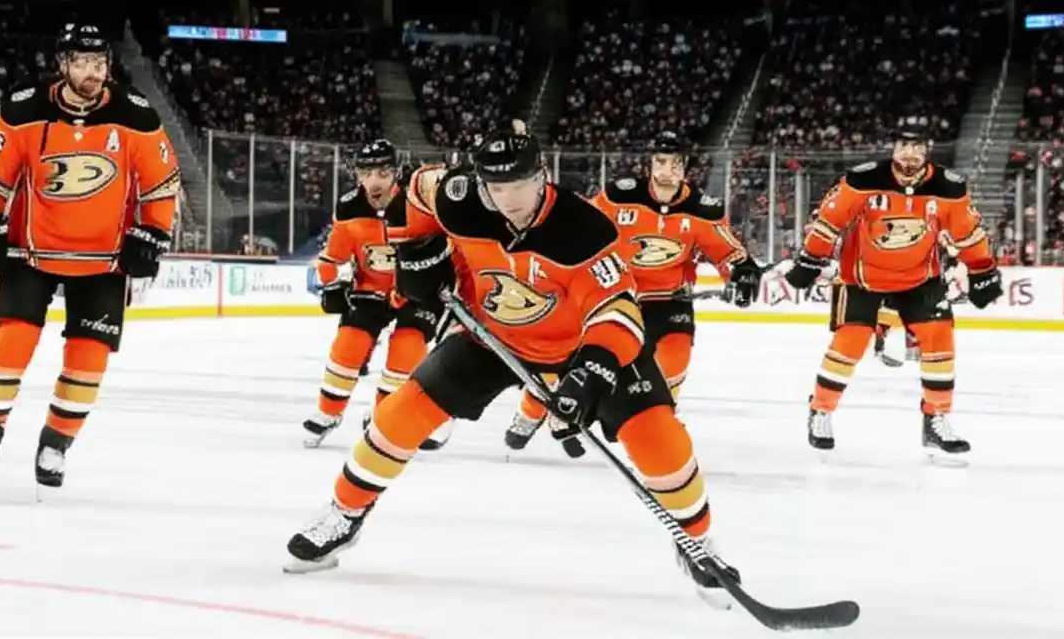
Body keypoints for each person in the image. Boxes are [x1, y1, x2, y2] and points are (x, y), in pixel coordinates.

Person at [284, 130, 740, 606]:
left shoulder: (583, 228)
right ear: (481, 184)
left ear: (543, 175)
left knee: (657, 435)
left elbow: (619, 312)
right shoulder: (458, 197)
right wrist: (418, 253)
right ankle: (345, 512)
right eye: (498, 190)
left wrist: (592, 369)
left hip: (581, 343)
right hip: (492, 335)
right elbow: (416, 191)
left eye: (521, 186)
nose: (511, 202)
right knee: (400, 414)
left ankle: (696, 541)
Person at [0, 22, 179, 488]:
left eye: (99, 63)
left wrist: (151, 233)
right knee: (11, 342)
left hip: (104, 259)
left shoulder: (136, 115)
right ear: (62, 65)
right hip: (28, 250)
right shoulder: (23, 108)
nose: (93, 72)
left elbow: (161, 183)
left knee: (89, 357)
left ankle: (56, 444)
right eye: (82, 62)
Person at [501, 132, 760, 452]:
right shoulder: (620, 196)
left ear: (686, 168)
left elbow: (728, 251)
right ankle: (531, 413)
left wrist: (743, 274)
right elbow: (583, 220)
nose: (667, 170)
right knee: (566, 357)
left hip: (668, 301)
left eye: (676, 163)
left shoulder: (702, 210)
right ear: (650, 165)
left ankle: (651, 414)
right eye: (661, 162)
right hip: (614, 295)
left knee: (676, 354)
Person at [783, 117, 1002, 455]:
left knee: (940, 338)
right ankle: (821, 409)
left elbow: (967, 233)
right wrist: (811, 259)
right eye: (904, 145)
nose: (910, 153)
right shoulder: (863, 180)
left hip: (920, 278)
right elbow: (829, 220)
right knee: (850, 343)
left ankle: (936, 420)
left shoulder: (949, 187)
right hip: (862, 278)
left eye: (917, 146)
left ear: (927, 150)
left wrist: (982, 270)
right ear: (893, 148)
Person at [303, 139, 447, 448]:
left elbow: (451, 242)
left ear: (396, 173)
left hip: (418, 291)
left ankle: (386, 417)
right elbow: (332, 256)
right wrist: (330, 285)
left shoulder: (420, 201)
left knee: (407, 347)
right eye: (366, 174)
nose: (373, 182)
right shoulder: (350, 206)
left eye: (382, 173)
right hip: (372, 287)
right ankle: (328, 411)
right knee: (350, 341)